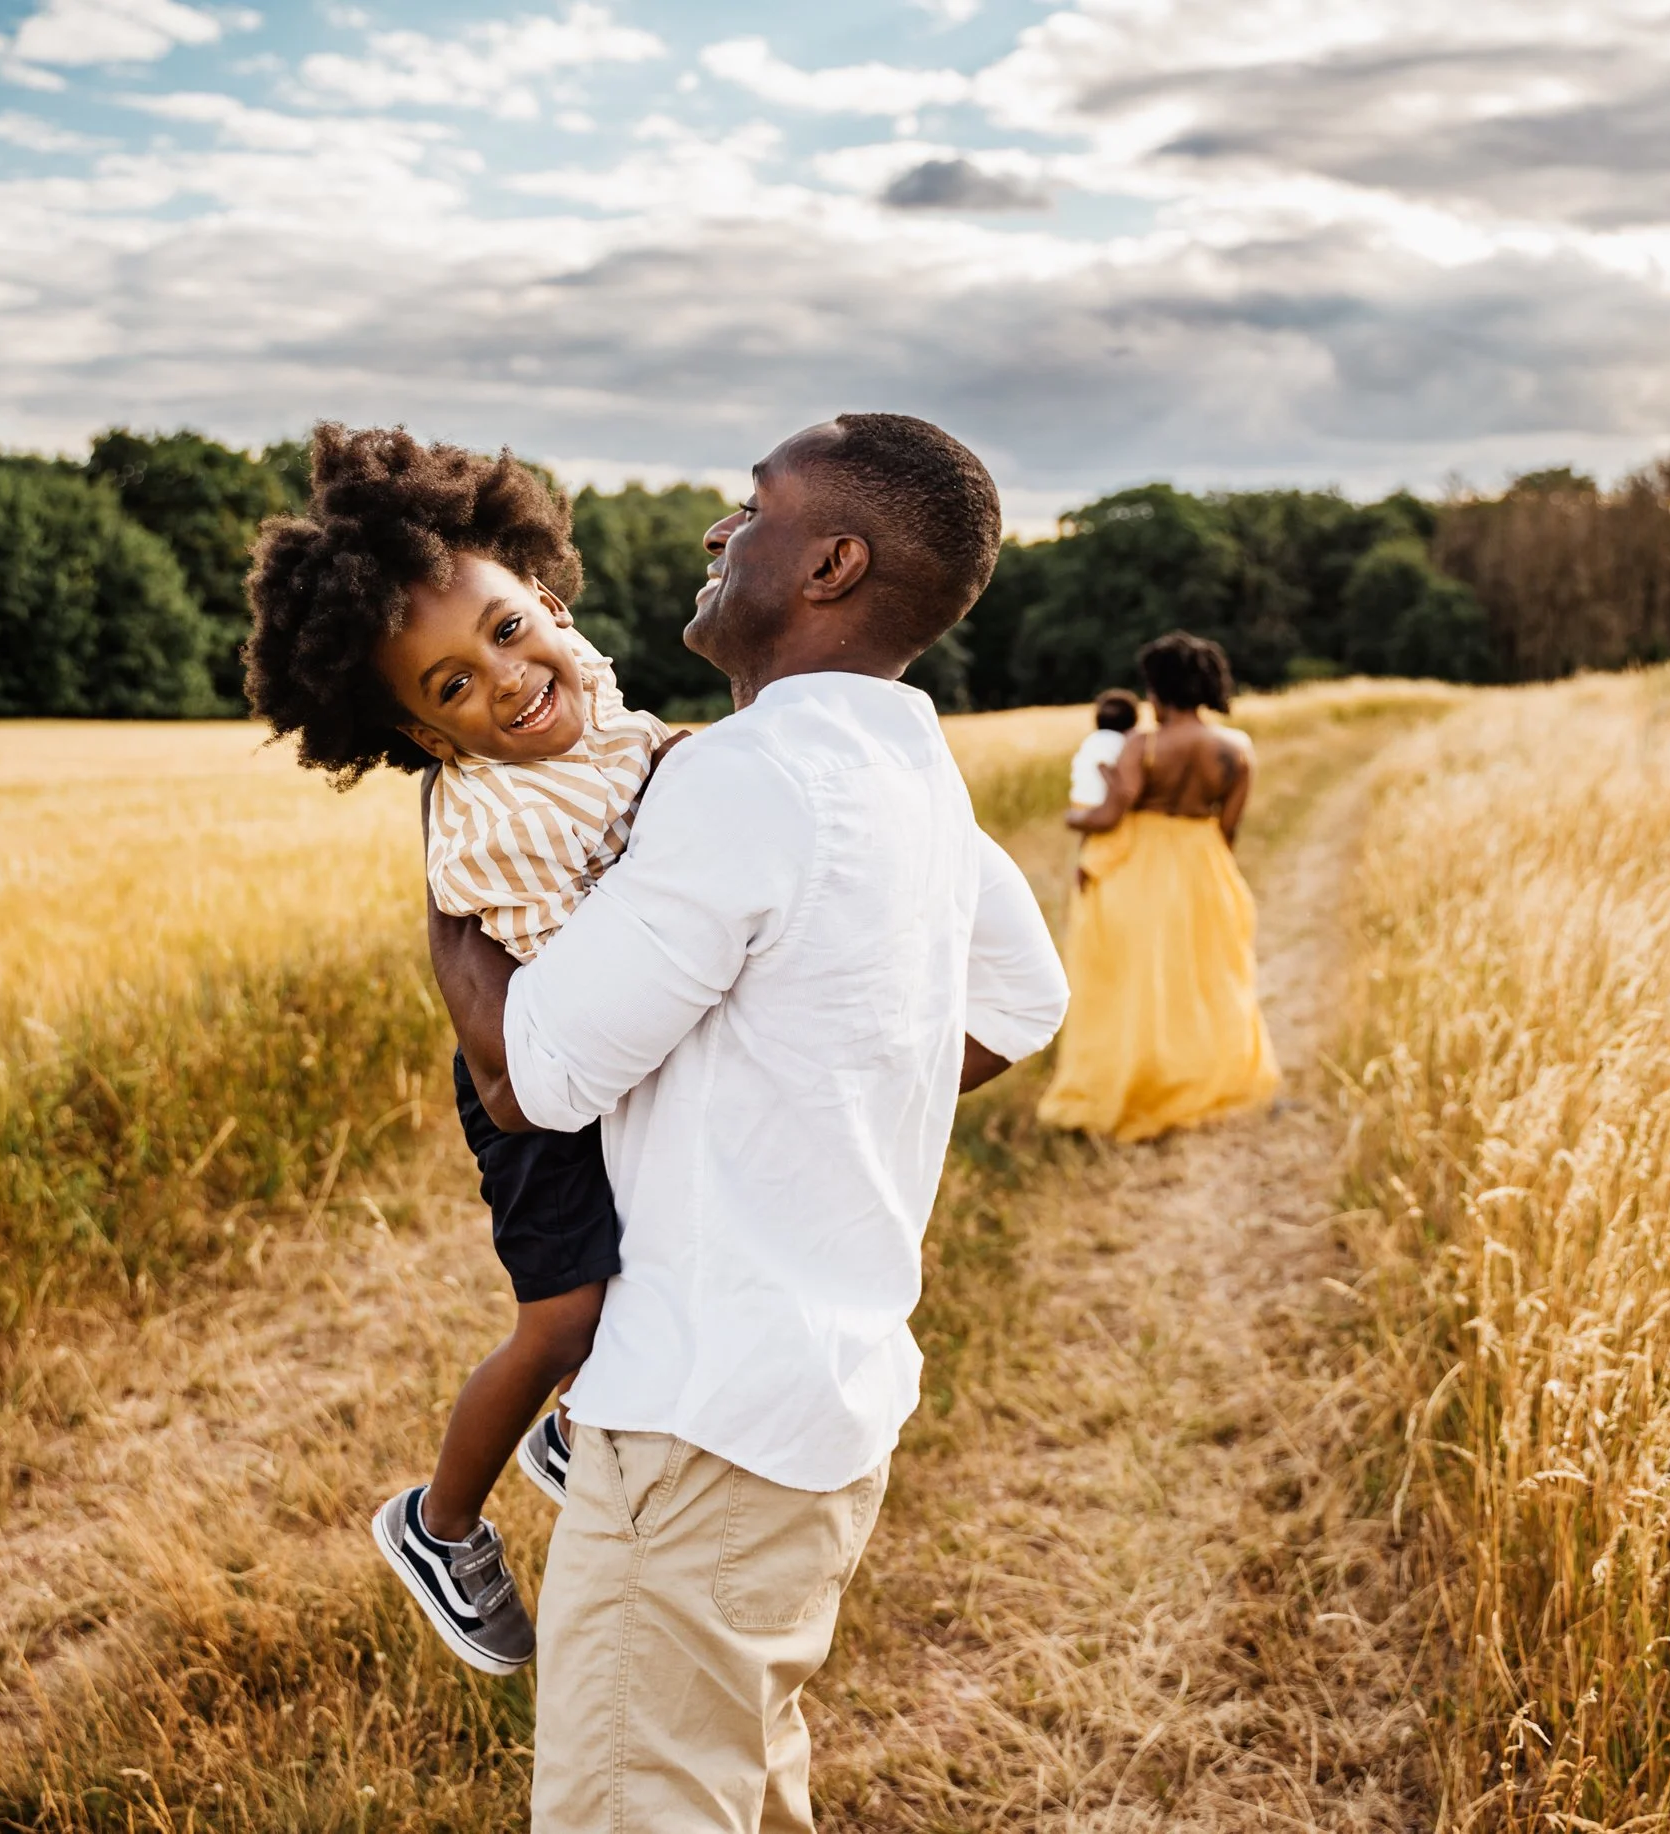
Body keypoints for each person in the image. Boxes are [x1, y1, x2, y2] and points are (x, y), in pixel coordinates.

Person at [422, 412, 1068, 1830]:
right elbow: (1025, 997)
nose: (721, 533)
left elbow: (535, 1077)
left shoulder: (745, 774)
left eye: (751, 508)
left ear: (832, 562)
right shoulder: (906, 771)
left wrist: (447, 909)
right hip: (823, 1418)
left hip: (701, 1428)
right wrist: (824, 1082)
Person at [242, 424, 679, 1677]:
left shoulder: (571, 673)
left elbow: (638, 756)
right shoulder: (489, 824)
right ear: (434, 740)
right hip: (542, 1063)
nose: (504, 678)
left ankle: (571, 1436)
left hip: (593, 1038)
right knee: (565, 1314)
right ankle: (440, 1521)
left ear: (544, 595)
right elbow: (588, 974)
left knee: (654, 1255)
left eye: (504, 630)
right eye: (450, 689)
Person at [1036, 630, 1281, 1141]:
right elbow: (1229, 828)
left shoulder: (1140, 745)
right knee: (1204, 975)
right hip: (1205, 865)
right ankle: (1204, 1079)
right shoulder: (1237, 750)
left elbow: (1107, 818)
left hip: (1139, 872)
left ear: (1157, 689)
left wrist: (1072, 819)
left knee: (1135, 980)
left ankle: (1141, 1083)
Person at [1068, 688, 1139, 813]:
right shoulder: (1123, 743)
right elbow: (1107, 770)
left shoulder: (1090, 741)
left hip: (1079, 803)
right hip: (1103, 807)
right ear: (1133, 721)